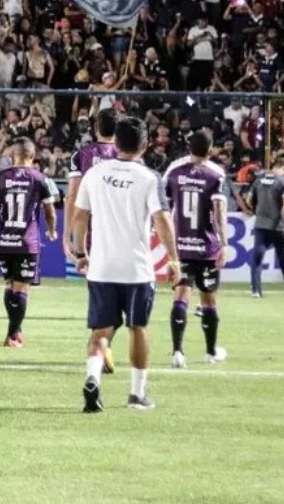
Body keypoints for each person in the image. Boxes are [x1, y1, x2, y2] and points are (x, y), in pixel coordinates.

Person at [69, 116, 180, 413]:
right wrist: (173, 258)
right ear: (144, 145)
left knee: (100, 331)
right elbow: (162, 221)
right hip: (136, 268)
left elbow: (79, 217)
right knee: (138, 328)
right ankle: (137, 393)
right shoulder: (149, 178)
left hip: (102, 267)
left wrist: (80, 253)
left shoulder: (94, 173)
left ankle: (93, 379)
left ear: (115, 143)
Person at [162, 131, 229, 368]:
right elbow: (219, 210)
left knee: (180, 296)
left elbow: (163, 207)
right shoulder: (216, 174)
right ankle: (210, 352)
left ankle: (177, 353)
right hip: (207, 247)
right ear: (210, 150)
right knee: (208, 300)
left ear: (188, 148)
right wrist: (224, 243)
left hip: (180, 246)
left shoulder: (174, 170)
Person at [0, 137, 58, 348]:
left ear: (11, 156)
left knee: (10, 285)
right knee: (22, 288)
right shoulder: (39, 179)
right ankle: (12, 335)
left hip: (5, 241)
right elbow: (50, 211)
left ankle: (15, 330)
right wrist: (52, 230)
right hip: (27, 242)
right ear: (32, 156)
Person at [64, 109, 120, 373]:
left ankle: (100, 344)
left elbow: (73, 196)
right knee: (126, 296)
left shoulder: (82, 155)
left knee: (101, 295)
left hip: (93, 236)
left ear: (96, 127)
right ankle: (104, 342)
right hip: (121, 235)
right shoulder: (127, 155)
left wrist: (70, 237)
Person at [245, 156, 284, 297]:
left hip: (260, 225)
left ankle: (256, 290)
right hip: (278, 225)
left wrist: (256, 210)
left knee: (257, 259)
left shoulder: (259, 179)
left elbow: (248, 199)